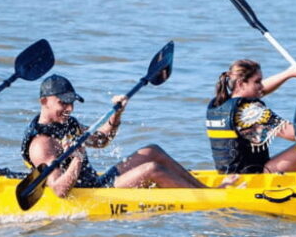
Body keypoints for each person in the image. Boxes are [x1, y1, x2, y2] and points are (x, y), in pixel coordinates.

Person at [23, 74, 225, 198]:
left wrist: (117, 114)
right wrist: (77, 159)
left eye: (71, 103)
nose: (69, 108)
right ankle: (211, 199)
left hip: (96, 183)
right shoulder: (41, 145)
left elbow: (101, 141)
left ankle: (207, 191)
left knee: (152, 151)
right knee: (151, 169)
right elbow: (59, 191)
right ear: (44, 101)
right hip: (91, 194)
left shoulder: (67, 123)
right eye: (63, 103)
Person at [206, 59, 296, 174]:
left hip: (230, 174)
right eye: (257, 81)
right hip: (254, 176)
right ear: (240, 83)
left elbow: (260, 90)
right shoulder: (251, 112)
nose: (261, 86)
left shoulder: (220, 103)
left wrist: (289, 73)